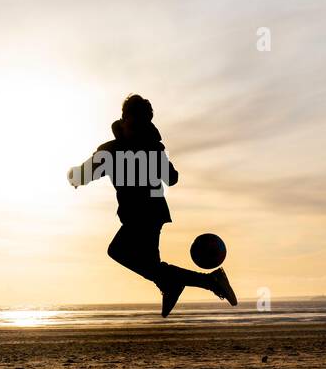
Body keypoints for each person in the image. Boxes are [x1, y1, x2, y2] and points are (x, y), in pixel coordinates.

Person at [69, 94, 237, 317]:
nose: (138, 127)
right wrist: (76, 176)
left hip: (148, 215)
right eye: (134, 122)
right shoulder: (111, 150)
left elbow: (172, 178)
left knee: (119, 251)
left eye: (143, 123)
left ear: (148, 123)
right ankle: (183, 284)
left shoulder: (151, 148)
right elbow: (83, 175)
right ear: (124, 119)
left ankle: (201, 282)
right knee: (153, 267)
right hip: (139, 216)